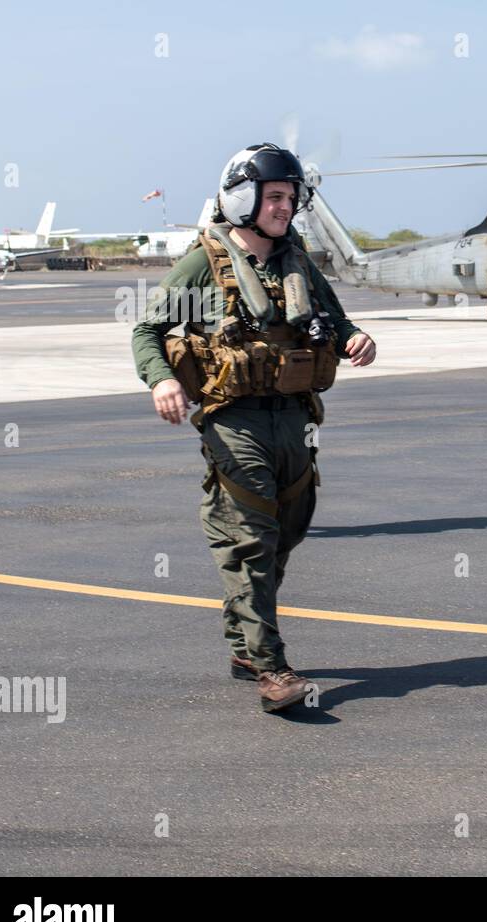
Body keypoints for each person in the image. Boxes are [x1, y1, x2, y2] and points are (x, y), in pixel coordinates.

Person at [131, 143, 376, 712]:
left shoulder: (298, 260)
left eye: (290, 197)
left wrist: (356, 339)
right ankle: (271, 668)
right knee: (250, 539)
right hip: (233, 420)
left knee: (288, 529)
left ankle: (244, 646)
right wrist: (160, 381)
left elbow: (336, 322)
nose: (285, 207)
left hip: (296, 420)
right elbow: (147, 330)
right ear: (243, 197)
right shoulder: (204, 262)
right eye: (274, 197)